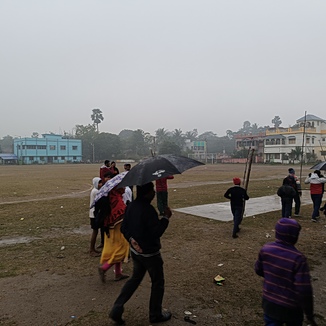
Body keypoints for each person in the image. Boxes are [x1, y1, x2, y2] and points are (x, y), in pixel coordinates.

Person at [109, 182, 172, 325]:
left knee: (135, 279)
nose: (154, 193)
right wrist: (166, 218)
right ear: (148, 193)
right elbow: (157, 232)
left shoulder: (130, 206)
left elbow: (124, 227)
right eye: (152, 191)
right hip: (150, 254)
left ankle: (117, 307)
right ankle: (155, 314)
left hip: (136, 253)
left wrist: (131, 240)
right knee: (158, 282)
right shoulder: (148, 210)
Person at [255, 218, 317, 326]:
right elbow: (304, 289)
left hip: (270, 303)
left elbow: (259, 270)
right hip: (291, 308)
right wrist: (309, 313)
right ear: (295, 236)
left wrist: (272, 276)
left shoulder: (266, 249)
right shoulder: (298, 259)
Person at [97, 171, 130, 283]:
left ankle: (118, 273)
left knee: (115, 246)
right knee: (122, 246)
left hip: (110, 225)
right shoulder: (118, 202)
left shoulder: (111, 197)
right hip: (118, 225)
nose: (125, 188)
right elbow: (121, 216)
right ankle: (105, 268)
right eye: (123, 185)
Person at [89, 177, 103, 257]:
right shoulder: (96, 191)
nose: (101, 184)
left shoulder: (96, 191)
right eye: (99, 183)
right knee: (95, 231)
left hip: (95, 213)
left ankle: (93, 249)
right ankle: (91, 249)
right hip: (94, 214)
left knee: (96, 231)